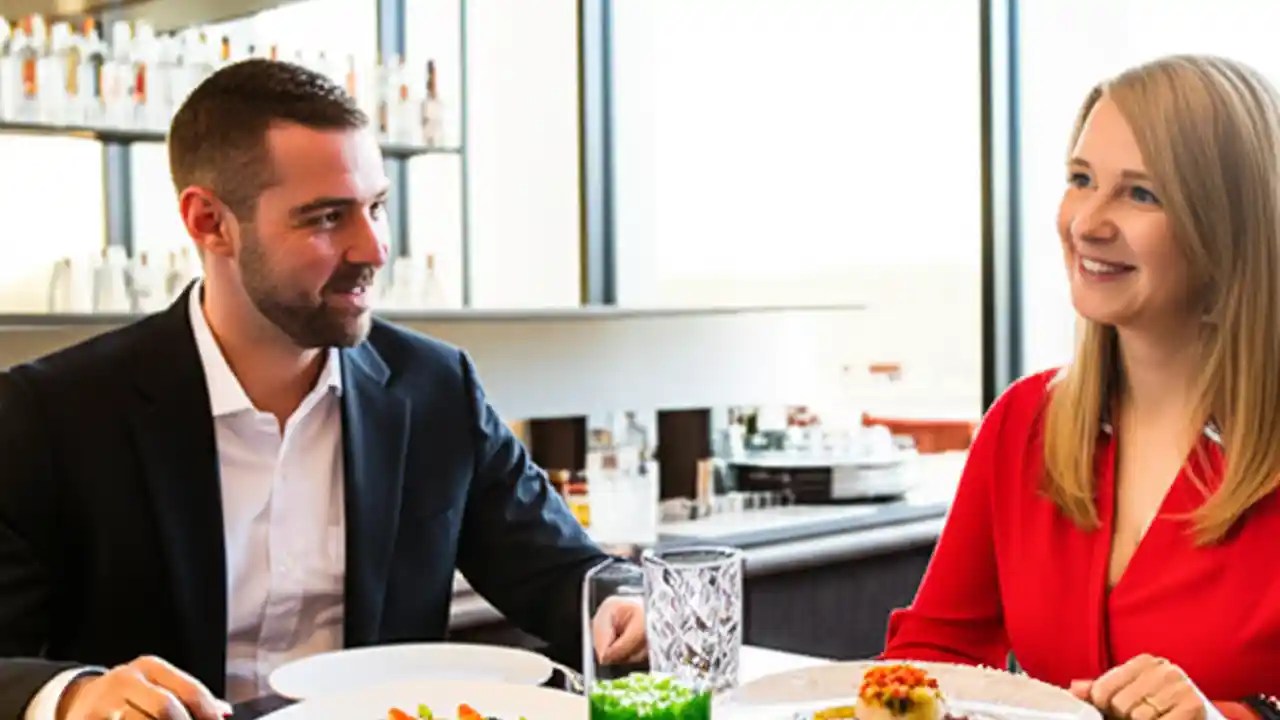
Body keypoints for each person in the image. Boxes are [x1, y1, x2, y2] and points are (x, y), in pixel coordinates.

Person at [0, 59, 646, 720]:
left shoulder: (436, 391)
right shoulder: (49, 415)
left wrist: (629, 608)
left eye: (376, 207)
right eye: (327, 218)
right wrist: (74, 694)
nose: (375, 248)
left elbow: (567, 577)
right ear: (209, 221)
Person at [882, 55, 1280, 720]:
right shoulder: (1024, 423)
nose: (1087, 223)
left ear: (1229, 228)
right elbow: (935, 654)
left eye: (1141, 194)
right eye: (1081, 180)